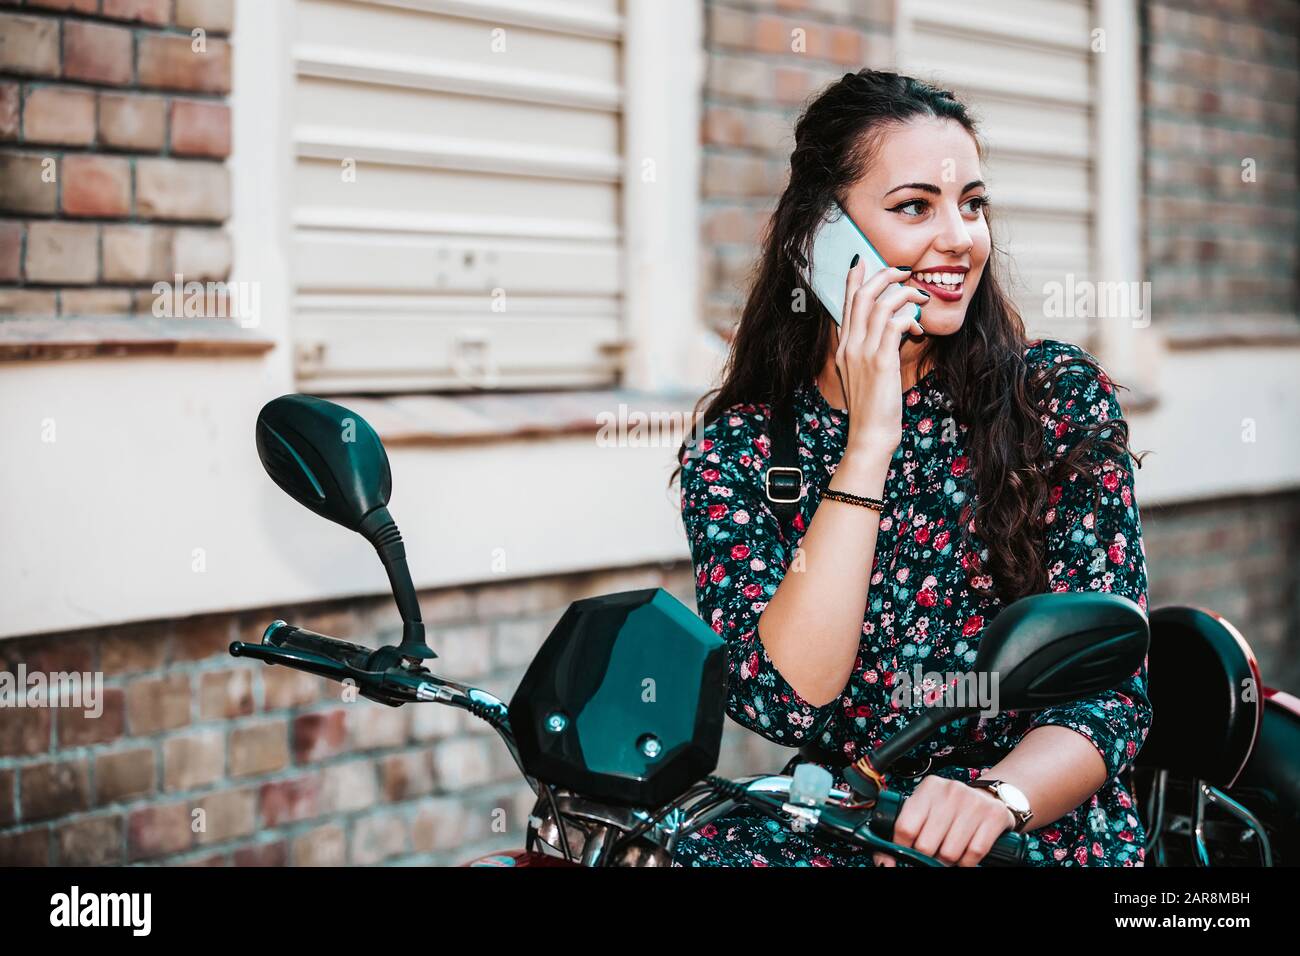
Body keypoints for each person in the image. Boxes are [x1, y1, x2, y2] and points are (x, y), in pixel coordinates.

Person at [669, 69, 1151, 867]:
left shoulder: (1054, 400)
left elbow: (1112, 696)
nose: (960, 237)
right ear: (818, 242)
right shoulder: (743, 451)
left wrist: (996, 797)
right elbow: (786, 701)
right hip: (847, 823)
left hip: (1031, 822)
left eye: (972, 204)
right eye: (914, 207)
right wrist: (869, 441)